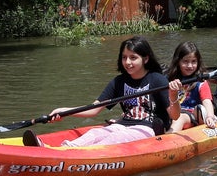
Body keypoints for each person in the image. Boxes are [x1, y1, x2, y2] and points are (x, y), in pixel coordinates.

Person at [23, 36, 181, 147]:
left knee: (115, 138)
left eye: (133, 57)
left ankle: (66, 155)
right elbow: (93, 109)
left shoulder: (157, 79)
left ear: (145, 59)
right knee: (94, 134)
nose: (127, 62)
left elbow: (174, 116)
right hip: (122, 124)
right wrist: (64, 111)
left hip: (147, 128)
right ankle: (60, 150)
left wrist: (173, 95)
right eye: (124, 57)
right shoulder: (118, 82)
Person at [165, 41, 217, 132]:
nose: (190, 66)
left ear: (198, 62)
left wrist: (210, 116)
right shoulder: (169, 79)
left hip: (190, 115)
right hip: (172, 113)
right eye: (185, 61)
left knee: (179, 118)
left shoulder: (201, 82)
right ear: (178, 62)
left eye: (193, 62)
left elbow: (207, 102)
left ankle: (167, 139)